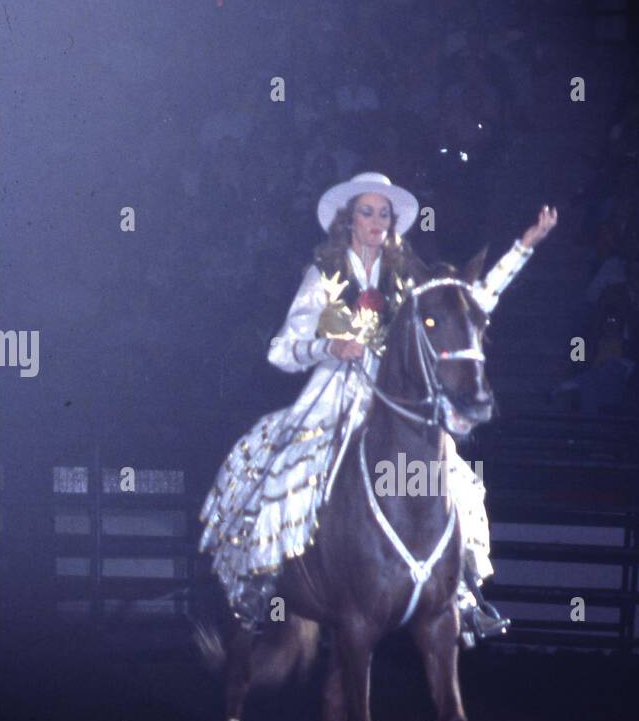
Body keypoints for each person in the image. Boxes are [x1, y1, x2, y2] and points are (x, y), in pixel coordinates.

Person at [198, 172, 557, 645]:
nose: (376, 221)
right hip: (332, 400)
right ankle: (257, 583)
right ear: (348, 221)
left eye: (383, 213)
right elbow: (280, 350)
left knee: (455, 481)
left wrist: (523, 248)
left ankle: (466, 594)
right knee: (284, 470)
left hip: (398, 404)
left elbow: (467, 303)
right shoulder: (324, 277)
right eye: (366, 212)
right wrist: (331, 347)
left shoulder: (406, 279)